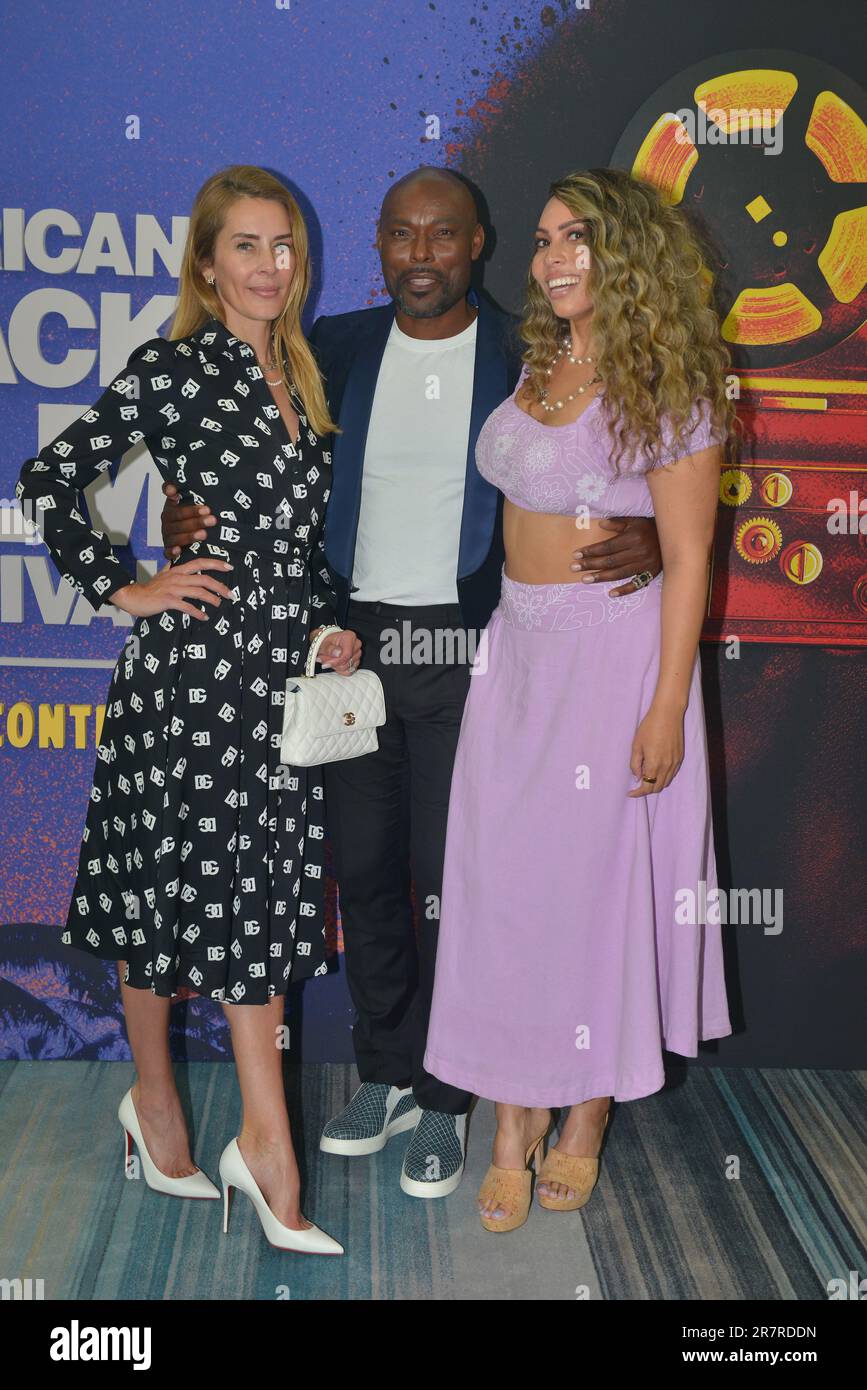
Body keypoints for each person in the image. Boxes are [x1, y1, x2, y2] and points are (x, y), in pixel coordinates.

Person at [160, 165, 663, 1199]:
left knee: (458, 885)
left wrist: (653, 527)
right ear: (378, 244)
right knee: (369, 872)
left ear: (479, 246)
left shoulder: (532, 350)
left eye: (443, 237)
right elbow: (235, 444)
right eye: (400, 236)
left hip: (480, 650)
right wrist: (182, 507)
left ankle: (449, 1092)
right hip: (347, 651)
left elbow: (621, 440)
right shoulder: (329, 349)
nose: (420, 256)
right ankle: (390, 1071)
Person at [16, 164, 360, 1256]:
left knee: (246, 895)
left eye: (286, 247)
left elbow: (293, 553)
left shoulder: (304, 378)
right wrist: (123, 584)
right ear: (207, 267)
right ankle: (181, 1113)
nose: (270, 267)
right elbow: (49, 477)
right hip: (189, 676)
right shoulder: (174, 370)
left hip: (275, 675)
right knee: (148, 890)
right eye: (248, 247)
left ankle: (246, 1141)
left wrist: (324, 622)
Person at [423, 168, 735, 1232]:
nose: (553, 258)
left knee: (595, 893)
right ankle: (510, 1115)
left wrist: (663, 707)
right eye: (547, 238)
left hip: (614, 665)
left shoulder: (674, 382)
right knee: (508, 888)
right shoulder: (540, 355)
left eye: (580, 240)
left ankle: (583, 1116)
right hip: (515, 657)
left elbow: (689, 558)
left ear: (631, 254)